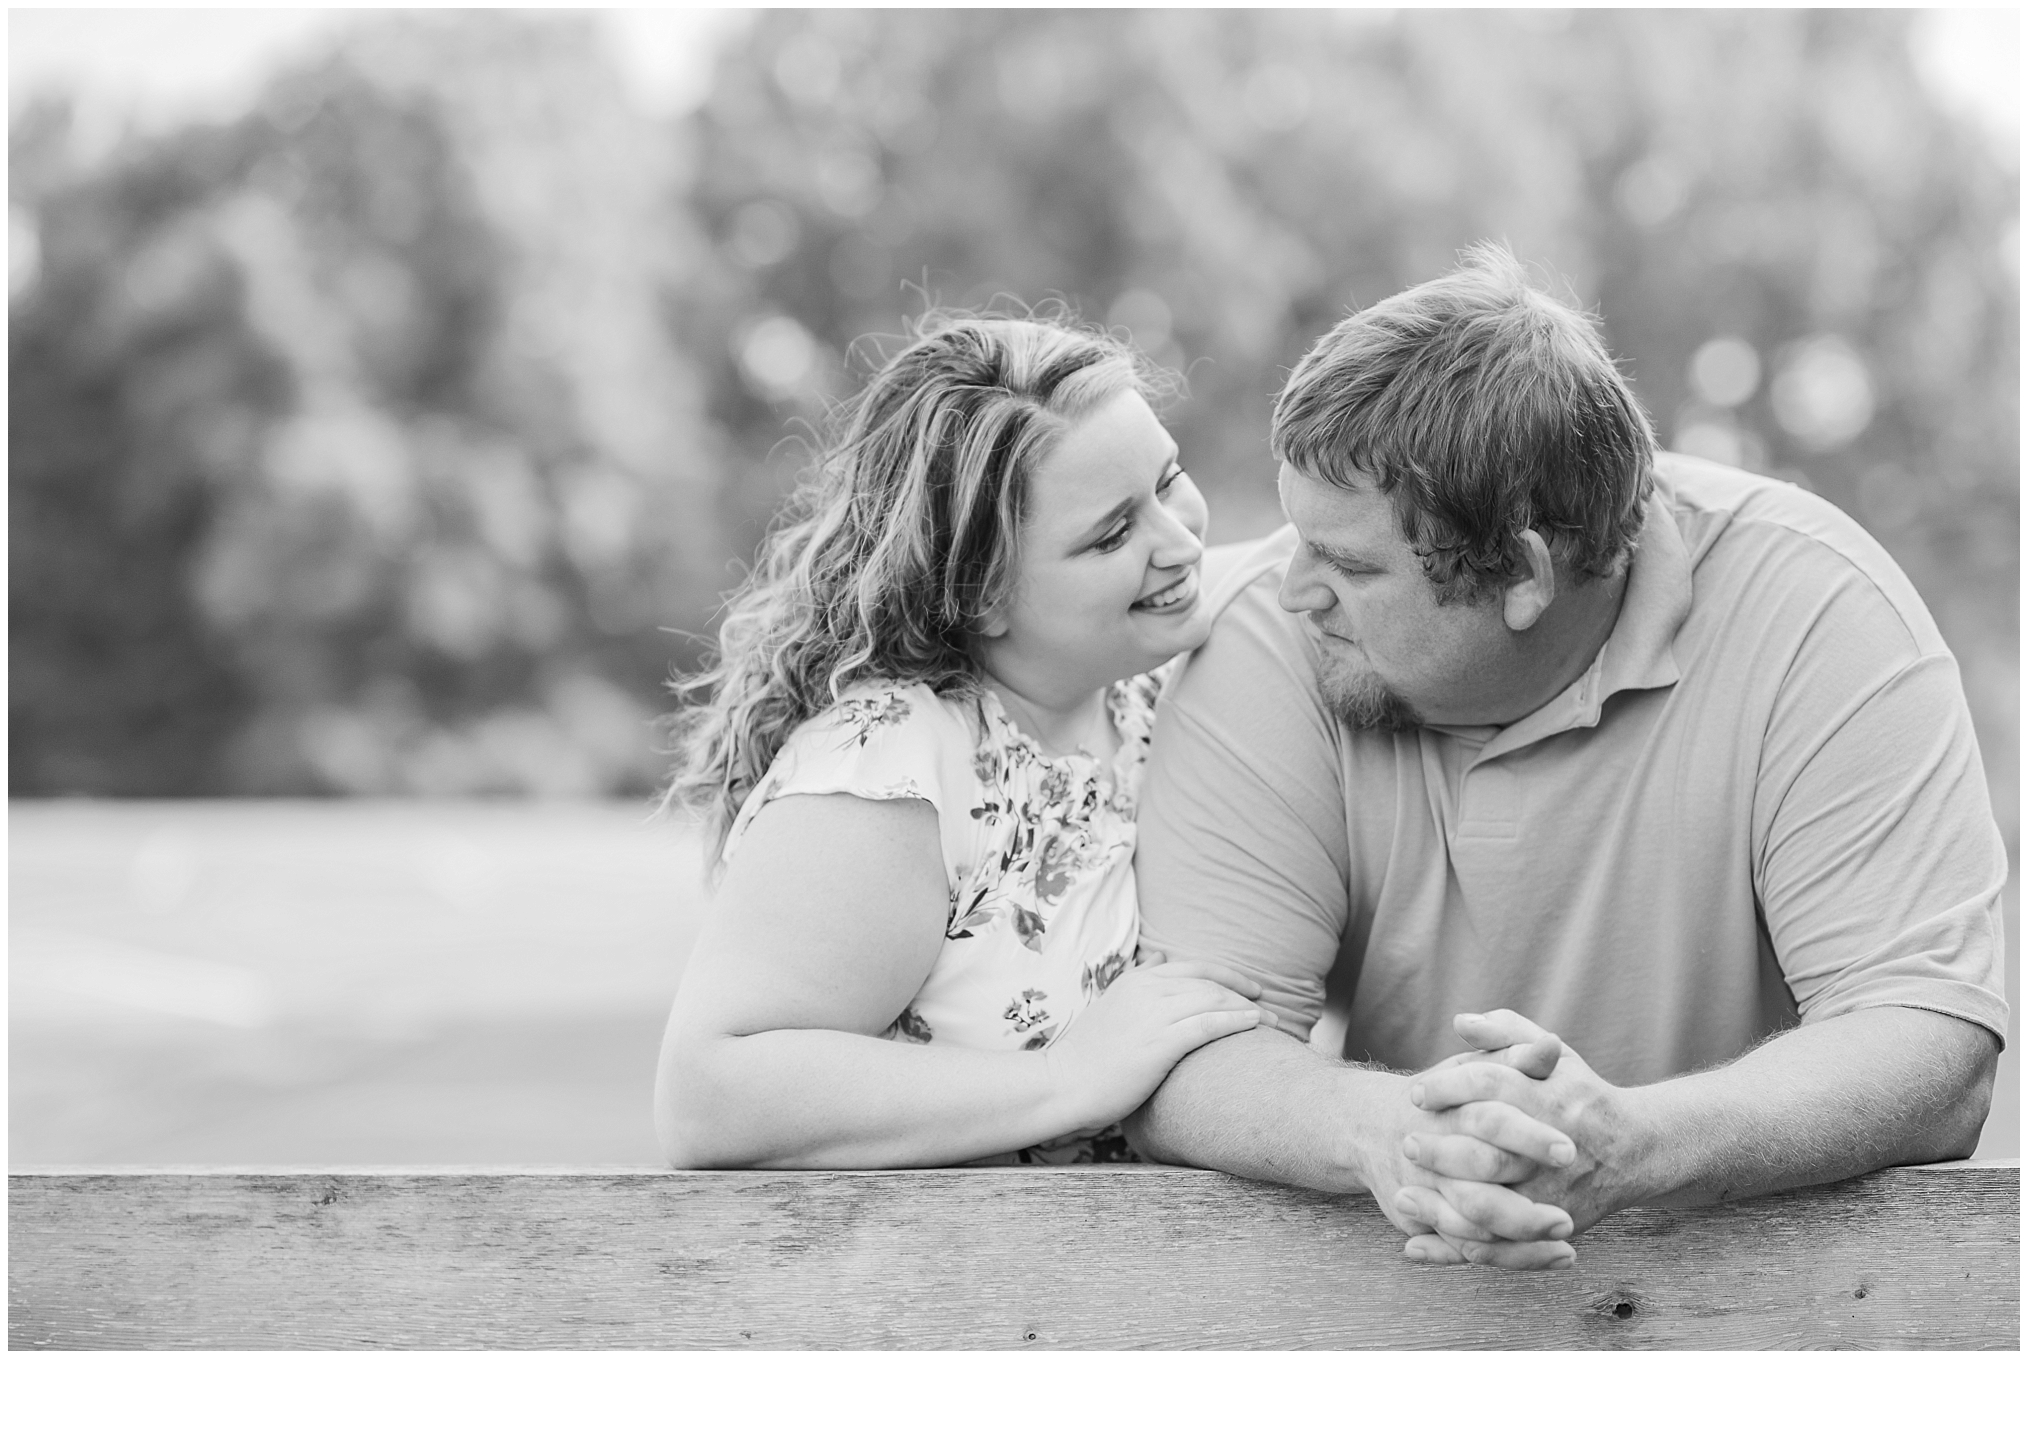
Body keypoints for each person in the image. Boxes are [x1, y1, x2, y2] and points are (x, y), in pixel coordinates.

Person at [1126, 244, 2008, 1270]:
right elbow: (1187, 1051)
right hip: (1388, 1309)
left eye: (1353, 565)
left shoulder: (1822, 613)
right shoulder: (1269, 640)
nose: (1294, 589)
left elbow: (1928, 1044)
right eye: (1298, 538)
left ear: (1524, 575)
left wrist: (1625, 1145)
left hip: (1759, 1310)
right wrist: (1395, 1133)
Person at [653, 311, 1273, 1170]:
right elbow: (708, 1093)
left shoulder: (1154, 673)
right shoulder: (895, 766)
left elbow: (1333, 547)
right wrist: (1068, 1078)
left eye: (1168, 481)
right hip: (944, 1296)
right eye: (1112, 533)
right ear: (983, 593)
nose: (1180, 541)